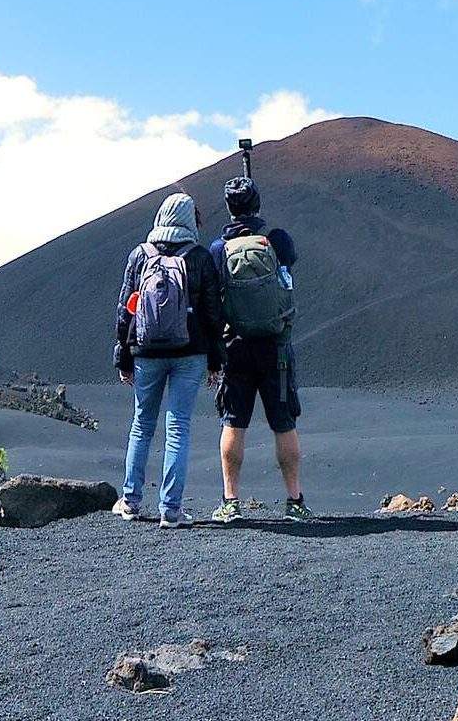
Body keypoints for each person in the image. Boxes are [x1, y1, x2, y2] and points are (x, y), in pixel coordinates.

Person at [112, 192, 225, 527]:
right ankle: (171, 509)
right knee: (178, 428)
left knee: (142, 424)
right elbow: (213, 314)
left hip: (146, 352)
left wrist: (123, 356)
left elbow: (124, 309)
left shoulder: (140, 256)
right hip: (190, 353)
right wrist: (216, 361)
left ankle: (130, 501)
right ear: (189, 220)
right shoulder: (199, 258)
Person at [208, 175, 312, 522]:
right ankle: (295, 500)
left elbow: (213, 294)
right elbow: (290, 264)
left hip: (235, 346)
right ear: (257, 204)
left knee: (233, 422)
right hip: (276, 347)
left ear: (228, 207)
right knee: (284, 423)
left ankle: (230, 501)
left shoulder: (218, 249)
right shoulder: (276, 240)